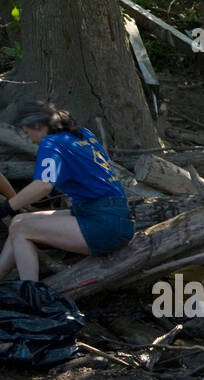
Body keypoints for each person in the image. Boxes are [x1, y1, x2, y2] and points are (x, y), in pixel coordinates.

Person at [0, 101, 134, 281]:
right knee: (19, 221)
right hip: (116, 216)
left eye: (27, 133)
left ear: (38, 125)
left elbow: (43, 185)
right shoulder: (83, 133)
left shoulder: (52, 141)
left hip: (103, 225)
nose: (30, 140)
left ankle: (33, 293)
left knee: (23, 228)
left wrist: (6, 207)